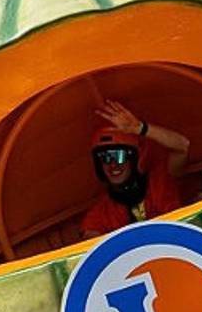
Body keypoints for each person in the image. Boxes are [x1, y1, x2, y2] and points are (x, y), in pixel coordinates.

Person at [80, 101, 190, 238]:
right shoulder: (99, 215)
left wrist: (139, 128)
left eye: (119, 156)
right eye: (105, 158)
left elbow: (182, 146)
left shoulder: (160, 180)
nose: (113, 165)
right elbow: (93, 248)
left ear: (134, 159)